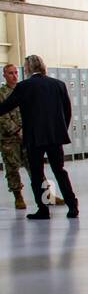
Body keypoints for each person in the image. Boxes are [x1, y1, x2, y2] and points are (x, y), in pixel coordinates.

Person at [0, 55, 78, 220]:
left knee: (36, 174)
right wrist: (59, 129)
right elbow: (67, 110)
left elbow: (6, 106)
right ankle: (72, 206)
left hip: (34, 138)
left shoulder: (24, 86)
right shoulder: (58, 85)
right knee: (60, 171)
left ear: (27, 68)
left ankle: (43, 209)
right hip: (55, 137)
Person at [1, 63, 28, 210]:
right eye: (10, 73)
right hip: (9, 138)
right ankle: (18, 196)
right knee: (12, 168)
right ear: (4, 75)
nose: (14, 76)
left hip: (27, 136)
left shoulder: (23, 90)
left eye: (16, 73)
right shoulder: (2, 93)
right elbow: (2, 116)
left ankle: (46, 194)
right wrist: (17, 130)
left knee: (35, 166)